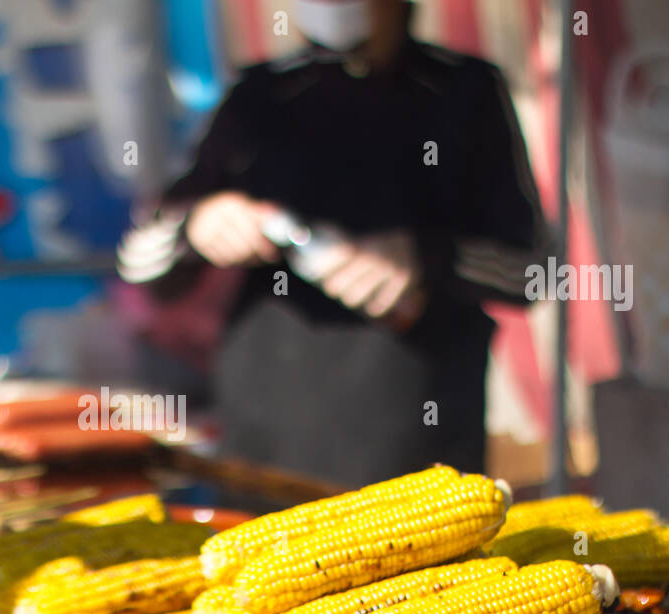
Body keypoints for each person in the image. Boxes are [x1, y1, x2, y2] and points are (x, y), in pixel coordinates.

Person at [118, 0, 547, 487]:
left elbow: (531, 270)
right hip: (267, 432)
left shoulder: (466, 90)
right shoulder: (259, 95)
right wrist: (198, 227)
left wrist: (425, 257)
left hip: (414, 432)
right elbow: (140, 259)